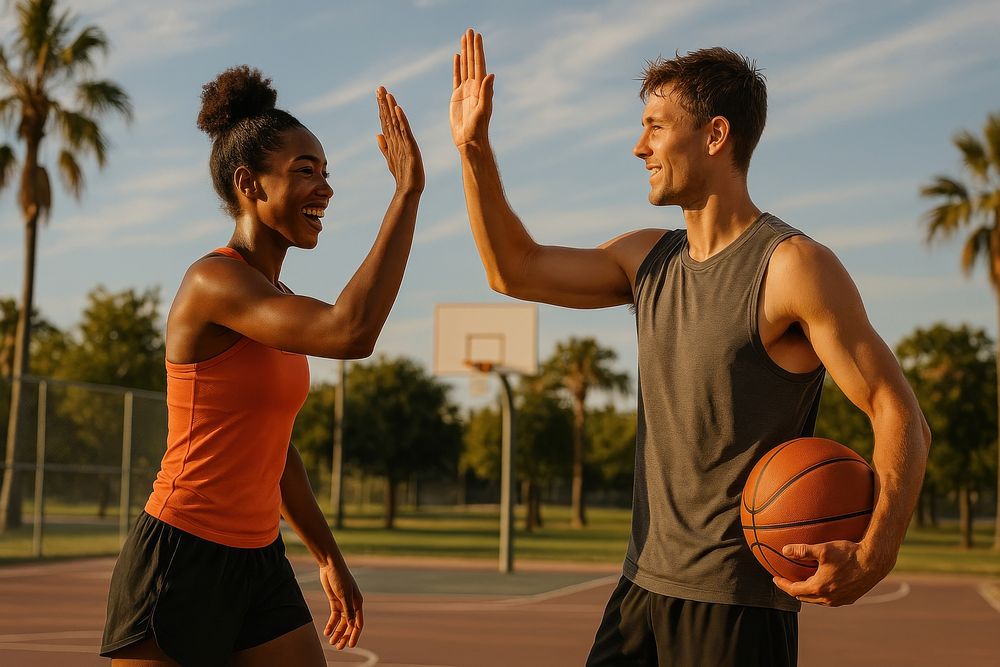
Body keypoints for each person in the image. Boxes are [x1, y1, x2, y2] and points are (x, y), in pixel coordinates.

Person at [449, 29, 930, 666]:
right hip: (639, 589)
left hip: (736, 607)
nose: (638, 146)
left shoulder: (791, 268)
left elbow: (900, 414)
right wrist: (475, 148)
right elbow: (515, 269)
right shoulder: (646, 258)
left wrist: (874, 552)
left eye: (655, 126)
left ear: (714, 135)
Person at [100, 66, 424, 666]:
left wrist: (326, 554)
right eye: (305, 171)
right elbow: (352, 331)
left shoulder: (273, 301)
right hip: (181, 556)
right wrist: (405, 194)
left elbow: (276, 450)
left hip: (259, 559)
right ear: (248, 183)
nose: (324, 188)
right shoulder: (213, 281)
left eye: (325, 172)